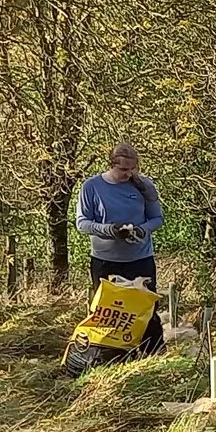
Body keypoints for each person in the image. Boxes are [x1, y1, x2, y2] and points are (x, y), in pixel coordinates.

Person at [75, 142, 165, 353]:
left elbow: (157, 219)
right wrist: (110, 230)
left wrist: (142, 231)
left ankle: (154, 353)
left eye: (133, 169)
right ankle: (108, 353)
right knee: (107, 311)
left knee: (146, 309)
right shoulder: (91, 187)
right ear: (112, 165)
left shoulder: (144, 186)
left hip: (140, 259)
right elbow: (82, 223)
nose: (129, 174)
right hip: (106, 260)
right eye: (124, 169)